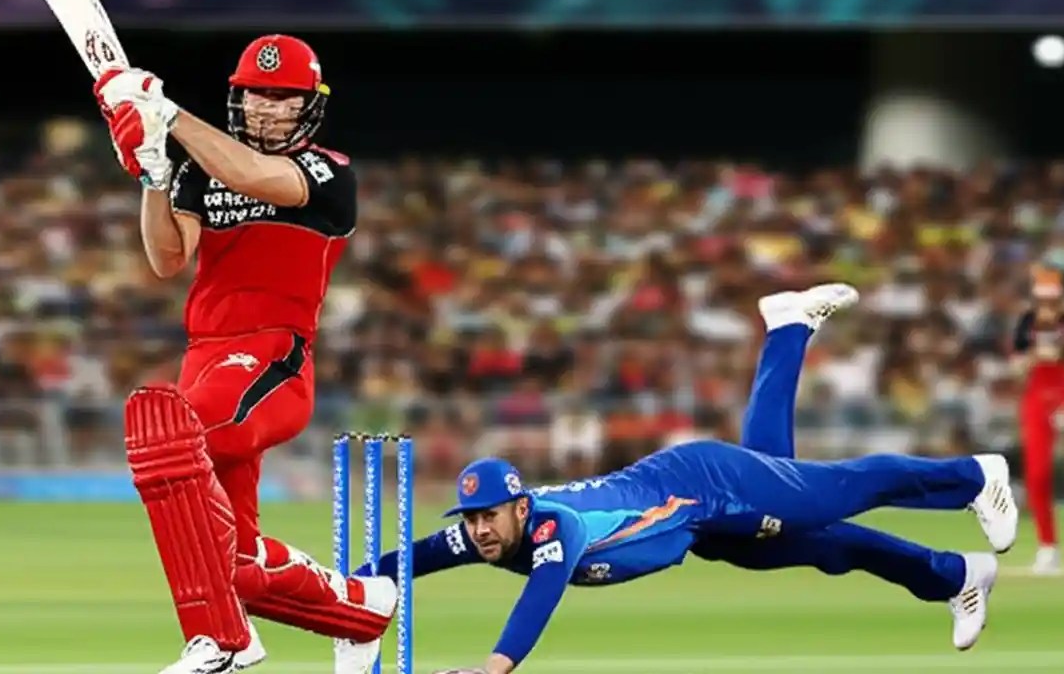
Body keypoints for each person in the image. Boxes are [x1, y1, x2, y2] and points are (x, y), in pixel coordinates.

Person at [359, 283, 1019, 674]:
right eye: (471, 521)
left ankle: (971, 476)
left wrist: (494, 668)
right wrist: (345, 585)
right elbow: (406, 560)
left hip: (702, 482)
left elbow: (541, 596)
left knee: (833, 495)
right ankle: (954, 575)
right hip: (699, 526)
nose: (478, 531)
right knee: (820, 544)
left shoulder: (555, 528)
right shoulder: (482, 536)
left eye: (490, 517)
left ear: (522, 508)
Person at [94, 35, 395, 674]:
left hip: (272, 358)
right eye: (256, 94)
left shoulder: (329, 173)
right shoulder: (198, 170)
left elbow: (256, 177)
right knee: (238, 565)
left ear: (308, 106)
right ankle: (362, 610)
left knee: (165, 437)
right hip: (205, 356)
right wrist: (153, 169)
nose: (265, 108)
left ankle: (222, 641)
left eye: (282, 97)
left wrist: (166, 114)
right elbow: (167, 258)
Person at [1012, 263, 1064, 575]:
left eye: (1052, 299)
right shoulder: (1026, 323)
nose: (1047, 305)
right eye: (1043, 298)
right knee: (1037, 472)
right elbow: (1017, 366)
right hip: (1038, 396)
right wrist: (1032, 357)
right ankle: (1047, 547)